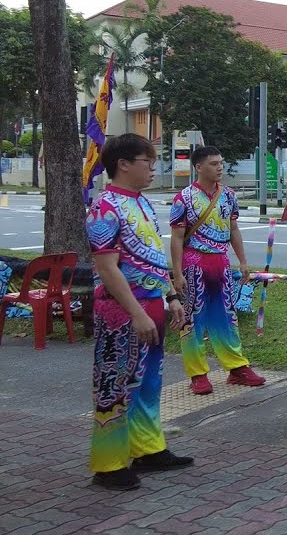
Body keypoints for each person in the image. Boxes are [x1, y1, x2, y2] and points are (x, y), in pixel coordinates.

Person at [87, 134, 193, 490]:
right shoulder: (104, 208)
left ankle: (148, 448)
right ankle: (108, 464)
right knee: (114, 385)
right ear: (123, 164)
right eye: (147, 162)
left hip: (150, 305)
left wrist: (171, 296)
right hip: (121, 312)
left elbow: (153, 256)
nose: (152, 169)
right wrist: (136, 313)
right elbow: (107, 268)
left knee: (149, 381)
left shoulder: (143, 203)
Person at [169, 146, 265, 395]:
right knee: (193, 320)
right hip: (193, 265)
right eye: (214, 164)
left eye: (221, 162)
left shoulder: (228, 195)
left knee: (227, 317)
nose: (220, 167)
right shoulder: (183, 198)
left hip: (221, 264)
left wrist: (242, 261)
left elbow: (233, 229)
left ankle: (237, 368)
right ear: (199, 167)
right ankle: (198, 374)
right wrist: (177, 273)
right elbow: (177, 238)